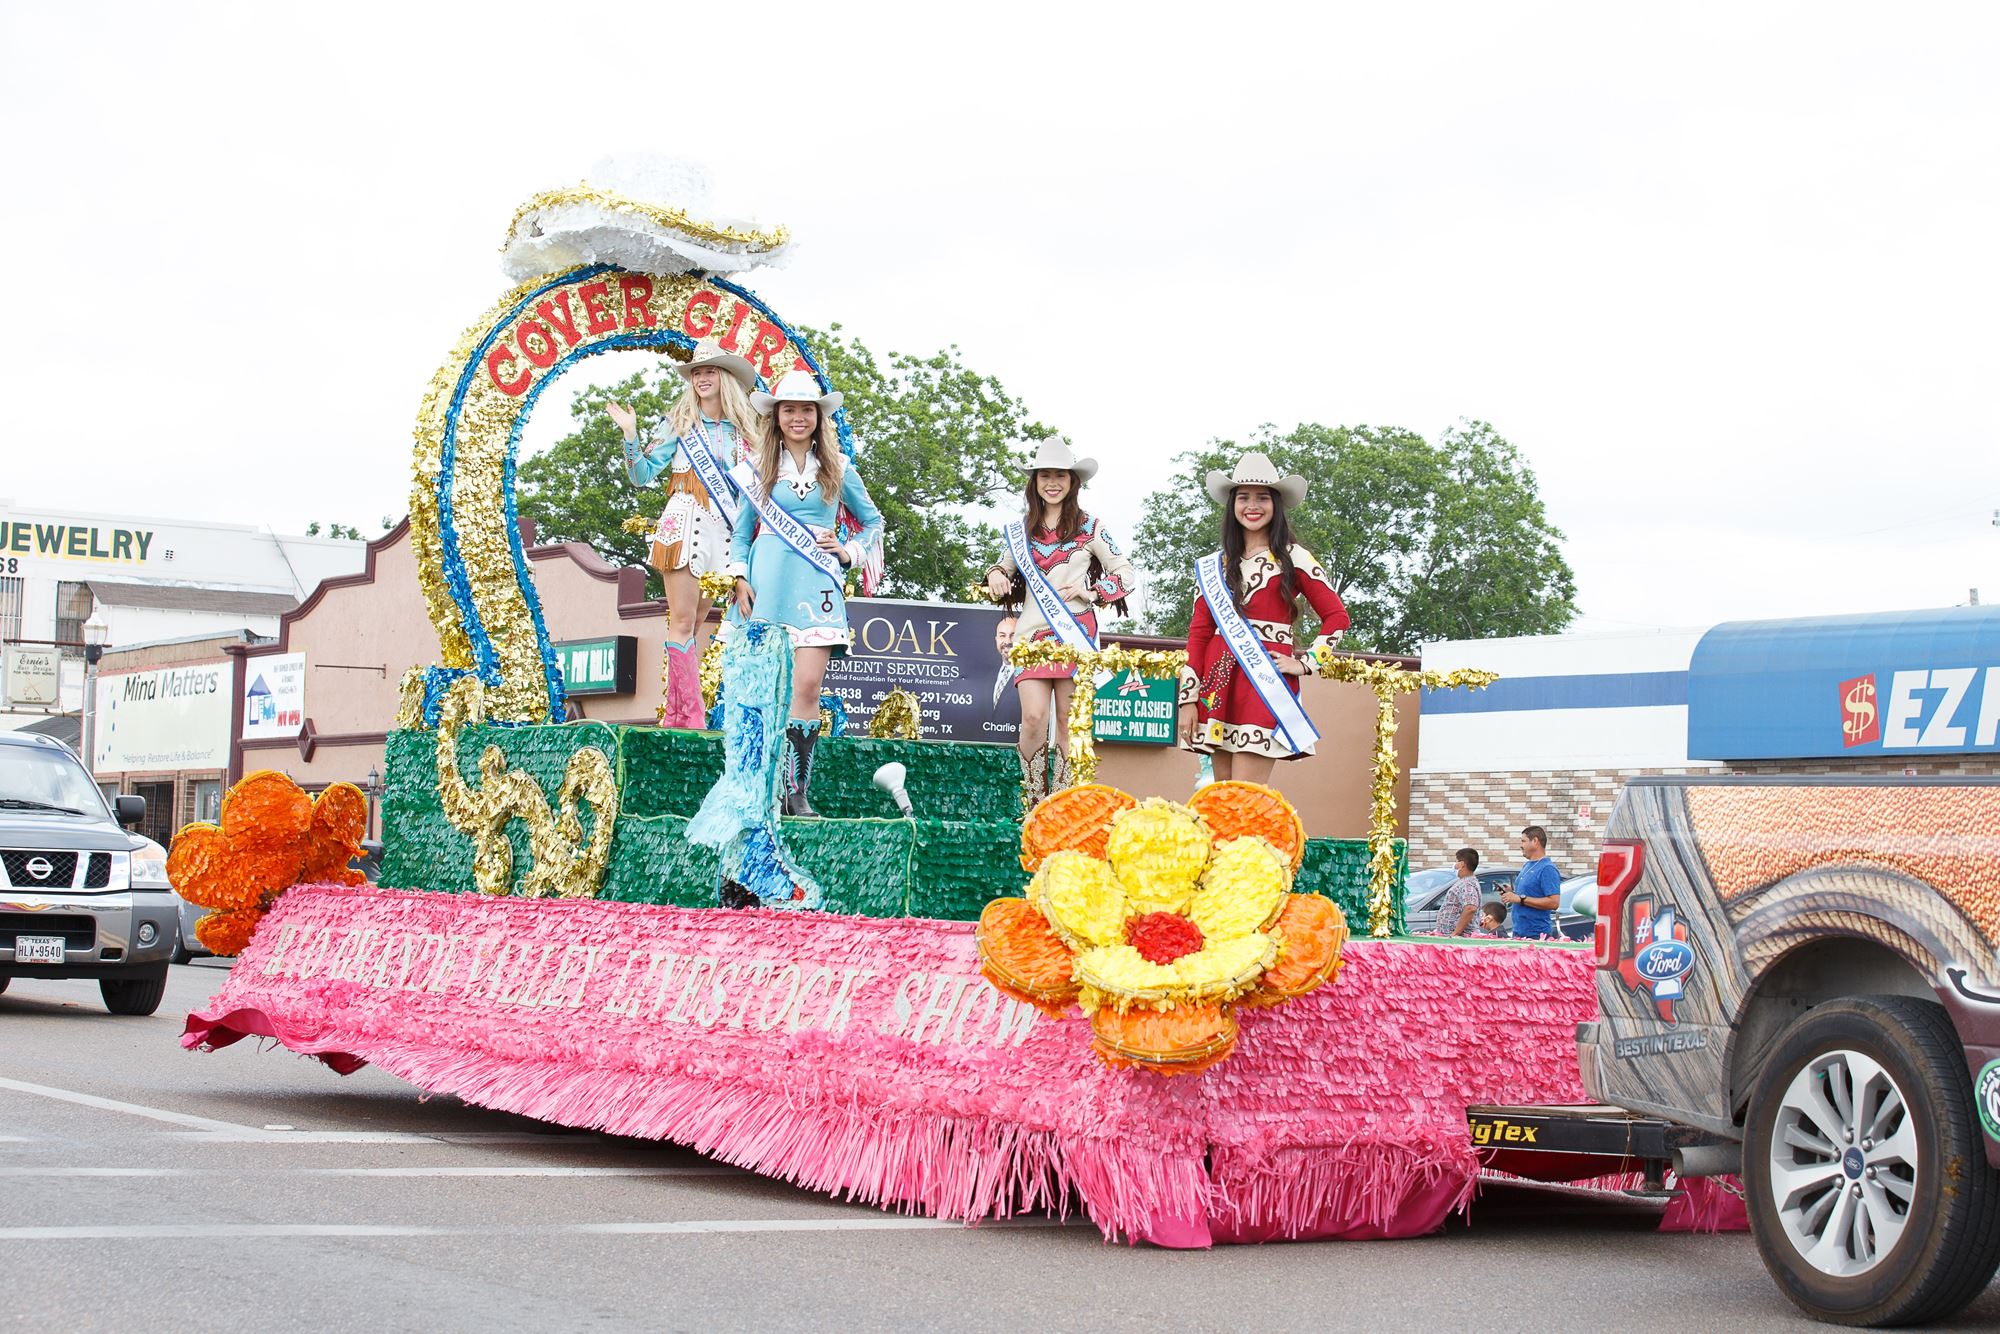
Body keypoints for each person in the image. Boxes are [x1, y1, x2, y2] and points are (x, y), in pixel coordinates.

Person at [725, 368, 884, 818]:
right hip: (767, 585)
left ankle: (796, 791)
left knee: (808, 686)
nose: (798, 418)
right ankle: (761, 787)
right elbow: (740, 535)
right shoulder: (756, 467)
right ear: (775, 417)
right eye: (789, 410)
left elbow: (874, 522)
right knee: (764, 691)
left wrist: (849, 550)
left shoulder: (839, 468)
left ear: (818, 416)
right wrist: (739, 578)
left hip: (817, 585)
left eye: (806, 410)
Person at [605, 336, 759, 728]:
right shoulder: (678, 424)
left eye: (710, 371)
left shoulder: (747, 432)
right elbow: (641, 475)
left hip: (724, 531)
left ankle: (677, 715)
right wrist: (630, 435)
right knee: (682, 620)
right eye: (697, 373)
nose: (702, 378)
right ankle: (691, 717)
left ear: (725, 377)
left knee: (699, 622)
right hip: (686, 522)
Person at [1177, 451, 1350, 787]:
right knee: (1220, 799)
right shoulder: (1214, 566)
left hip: (1262, 685)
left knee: (1247, 798)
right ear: (1232, 505)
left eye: (1262, 498)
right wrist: (1188, 698)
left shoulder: (1294, 557)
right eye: (1243, 497)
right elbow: (1198, 635)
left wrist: (1306, 662)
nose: (1252, 506)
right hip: (1218, 684)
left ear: (1276, 505)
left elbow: (1337, 617)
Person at [983, 439, 1136, 807]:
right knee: (1034, 717)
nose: (1052, 482)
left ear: (1072, 482)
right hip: (1032, 636)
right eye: (1045, 475)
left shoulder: (1091, 526)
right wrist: (994, 574)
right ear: (1035, 481)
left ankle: (1064, 803)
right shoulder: (1021, 531)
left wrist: (1092, 592)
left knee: (1068, 722)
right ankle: (1033, 801)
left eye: (1060, 475)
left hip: (1075, 636)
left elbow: (1126, 573)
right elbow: (1002, 566)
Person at [1499, 825, 1563, 940]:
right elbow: (1525, 896)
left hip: (1536, 935)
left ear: (1535, 841)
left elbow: (1554, 902)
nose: (1520, 845)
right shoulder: (1527, 865)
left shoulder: (1547, 868)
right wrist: (1511, 894)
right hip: (1519, 932)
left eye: (1523, 841)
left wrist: (1520, 899)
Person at [1432, 847, 1483, 937]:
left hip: (1460, 938)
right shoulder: (1465, 882)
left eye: (1456, 861)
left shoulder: (1467, 884)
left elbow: (1470, 908)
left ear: (1462, 864)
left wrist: (1456, 933)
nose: (1454, 865)